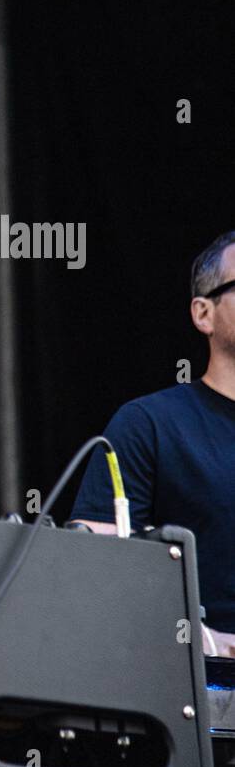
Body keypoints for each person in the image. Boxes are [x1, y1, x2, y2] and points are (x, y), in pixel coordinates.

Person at [70, 231, 235, 657]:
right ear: (204, 313)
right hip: (203, 692)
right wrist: (206, 642)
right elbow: (95, 569)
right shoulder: (150, 424)